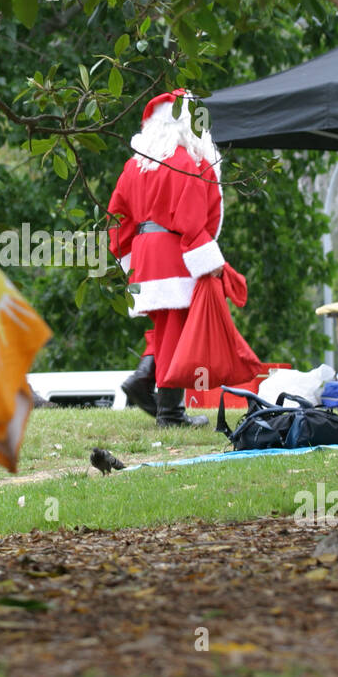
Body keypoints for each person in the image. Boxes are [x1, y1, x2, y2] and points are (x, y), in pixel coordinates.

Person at [109, 90, 225, 428]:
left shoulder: (133, 165)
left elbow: (116, 216)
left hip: (144, 252)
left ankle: (144, 378)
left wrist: (126, 253)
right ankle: (169, 412)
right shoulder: (186, 162)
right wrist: (207, 256)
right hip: (174, 249)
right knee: (178, 326)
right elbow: (191, 219)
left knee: (164, 324)